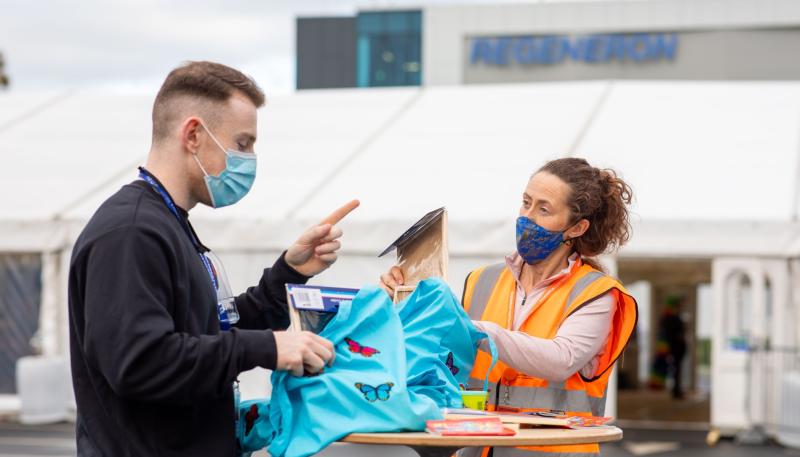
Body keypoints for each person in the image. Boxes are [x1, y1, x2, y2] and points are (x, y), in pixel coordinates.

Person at [68, 61, 357, 456]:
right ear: (193, 135)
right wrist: (267, 348)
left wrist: (288, 274)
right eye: (242, 143)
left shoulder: (169, 223)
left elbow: (210, 331)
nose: (250, 159)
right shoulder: (131, 232)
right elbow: (141, 363)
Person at [380, 158, 638, 457]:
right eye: (526, 203)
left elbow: (561, 359)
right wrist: (405, 303)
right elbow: (445, 359)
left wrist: (473, 328)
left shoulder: (595, 293)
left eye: (544, 209)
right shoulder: (481, 280)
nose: (527, 217)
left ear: (577, 227)